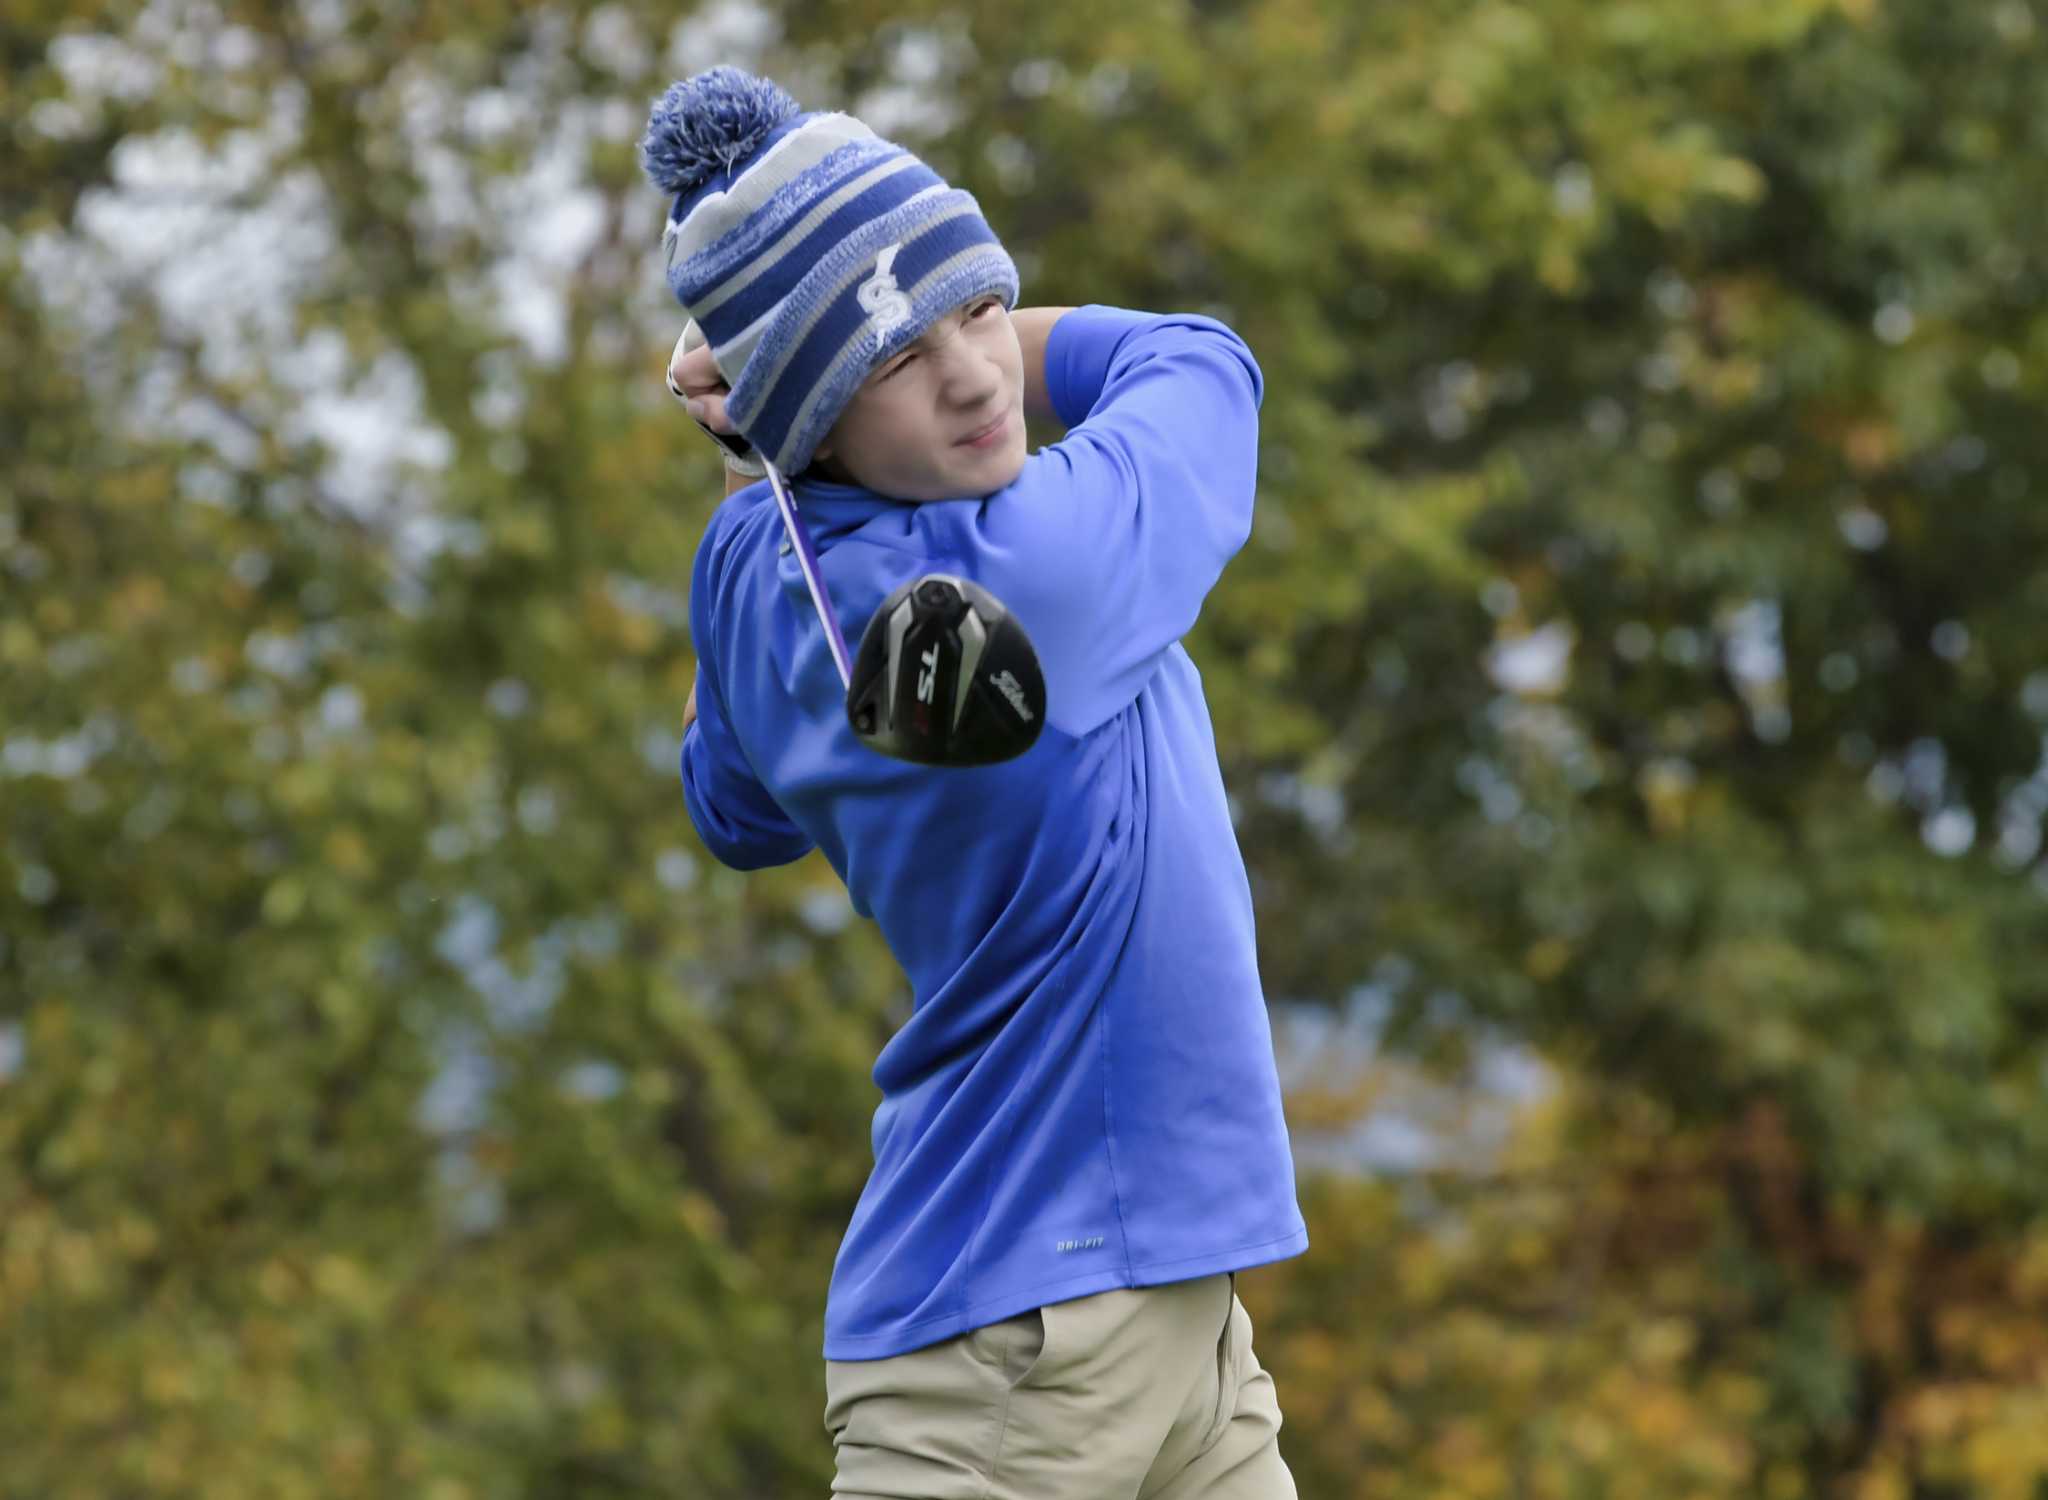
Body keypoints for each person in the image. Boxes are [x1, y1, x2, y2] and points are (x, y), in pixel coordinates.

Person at [644, 66, 1308, 1499]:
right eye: (893, 356)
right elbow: (1203, 365)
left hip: (1162, 1314)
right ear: (804, 408)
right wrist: (1018, 320)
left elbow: (735, 810)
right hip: (1011, 1351)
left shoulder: (753, 577)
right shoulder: (1036, 581)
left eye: (978, 307)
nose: (972, 373)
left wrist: (784, 412)